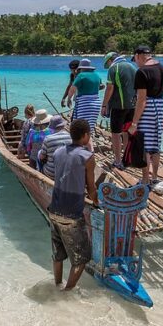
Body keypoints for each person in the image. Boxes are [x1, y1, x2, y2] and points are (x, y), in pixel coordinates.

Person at [47, 119, 98, 291]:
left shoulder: (59, 152)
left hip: (54, 210)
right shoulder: (88, 157)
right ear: (85, 136)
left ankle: (57, 285)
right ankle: (66, 293)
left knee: (58, 255)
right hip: (72, 215)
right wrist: (98, 202)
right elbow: (91, 189)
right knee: (82, 259)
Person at [127, 46, 163, 187]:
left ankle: (145, 180)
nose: (135, 63)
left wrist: (134, 123)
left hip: (146, 111)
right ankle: (154, 177)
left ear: (138, 56)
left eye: (135, 59)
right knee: (155, 146)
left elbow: (142, 100)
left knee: (144, 148)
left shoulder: (141, 72)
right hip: (159, 110)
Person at [101, 51, 137, 168]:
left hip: (118, 106)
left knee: (116, 134)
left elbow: (110, 88)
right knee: (126, 132)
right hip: (132, 106)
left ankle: (117, 160)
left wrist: (104, 105)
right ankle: (127, 159)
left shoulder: (113, 68)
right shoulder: (133, 67)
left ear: (110, 60)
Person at [67, 59, 102, 139]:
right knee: (89, 127)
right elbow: (101, 86)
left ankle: (82, 146)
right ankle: (88, 145)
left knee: (81, 127)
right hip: (96, 103)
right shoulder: (97, 75)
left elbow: (72, 88)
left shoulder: (81, 75)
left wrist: (68, 99)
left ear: (81, 68)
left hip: (85, 103)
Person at [38, 115, 72, 179]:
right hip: (67, 174)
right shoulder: (71, 137)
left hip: (51, 174)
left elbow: (41, 157)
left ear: (52, 127)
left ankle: (39, 173)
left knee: (39, 154)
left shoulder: (48, 139)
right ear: (63, 125)